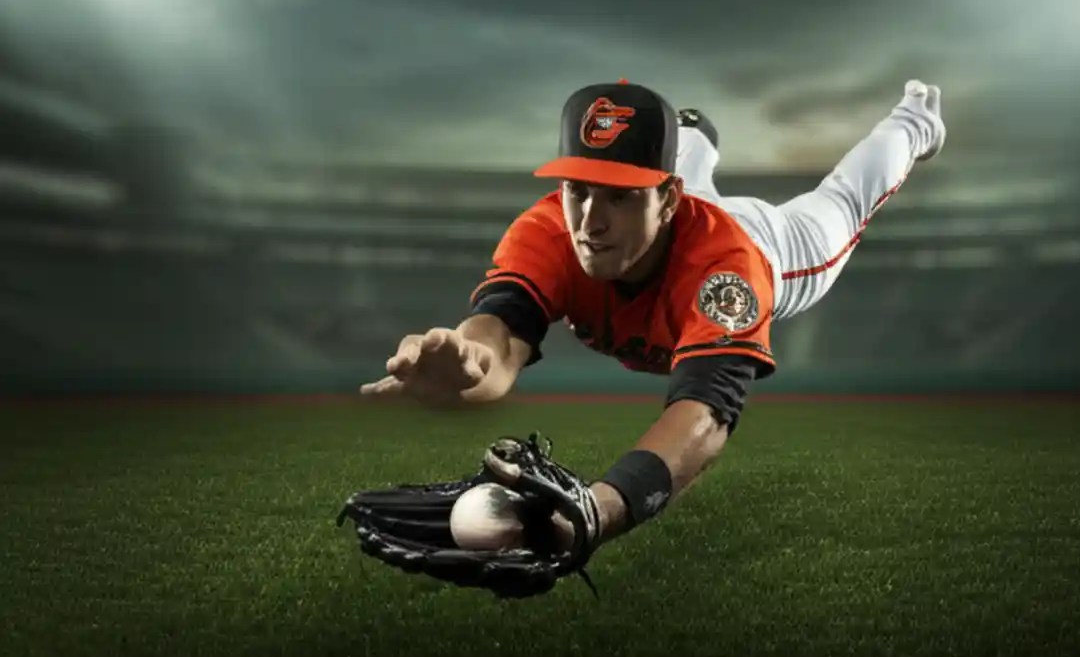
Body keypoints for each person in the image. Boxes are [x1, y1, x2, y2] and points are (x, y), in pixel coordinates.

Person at [360, 77, 945, 552]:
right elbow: (500, 339)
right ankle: (690, 134)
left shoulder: (726, 273)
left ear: (668, 198)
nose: (590, 221)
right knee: (643, 184)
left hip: (770, 243)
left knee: (842, 201)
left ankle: (915, 119)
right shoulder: (550, 230)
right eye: (578, 189)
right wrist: (471, 366)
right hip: (672, 217)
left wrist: (601, 508)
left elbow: (706, 417)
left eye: (620, 195)